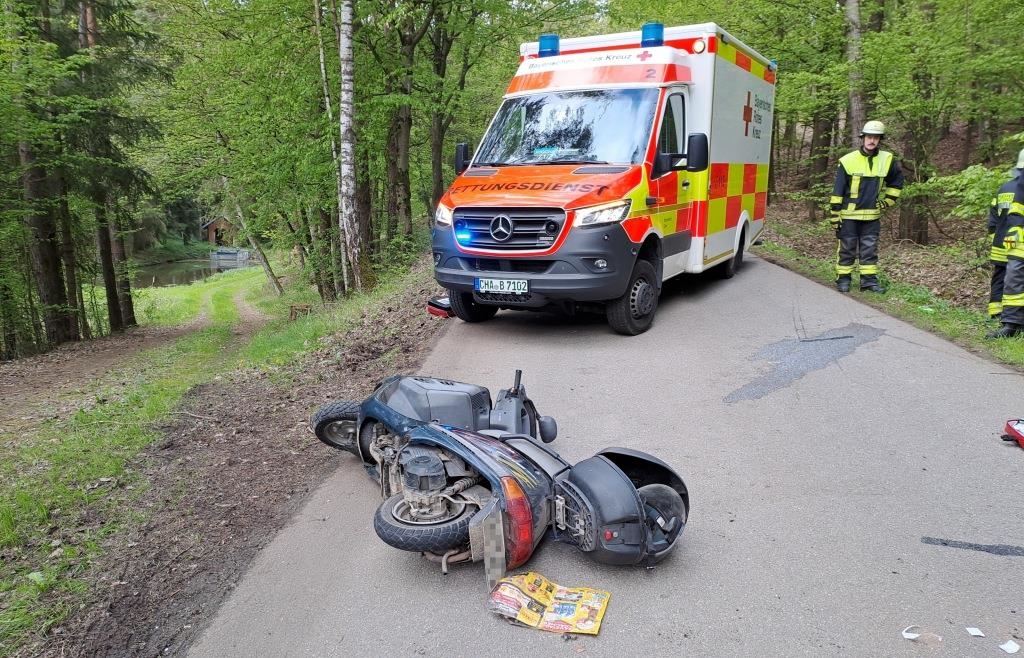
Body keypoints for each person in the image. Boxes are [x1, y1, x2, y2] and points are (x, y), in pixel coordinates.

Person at [828, 120, 905, 293]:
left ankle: (868, 282)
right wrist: (835, 215)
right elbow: (838, 190)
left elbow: (897, 182)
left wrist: (887, 201)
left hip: (872, 216)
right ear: (862, 138)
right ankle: (843, 280)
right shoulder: (848, 161)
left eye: (876, 138)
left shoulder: (887, 159)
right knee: (847, 248)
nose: (872, 140)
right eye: (869, 137)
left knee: (869, 249)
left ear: (880, 140)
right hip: (849, 215)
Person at [984, 150, 1024, 320]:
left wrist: (995, 239)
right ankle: (1012, 317)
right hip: (1017, 242)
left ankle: (995, 313)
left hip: (1000, 241)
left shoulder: (1004, 188)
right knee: (1014, 280)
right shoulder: (1020, 190)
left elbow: (993, 219)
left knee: (1000, 277)